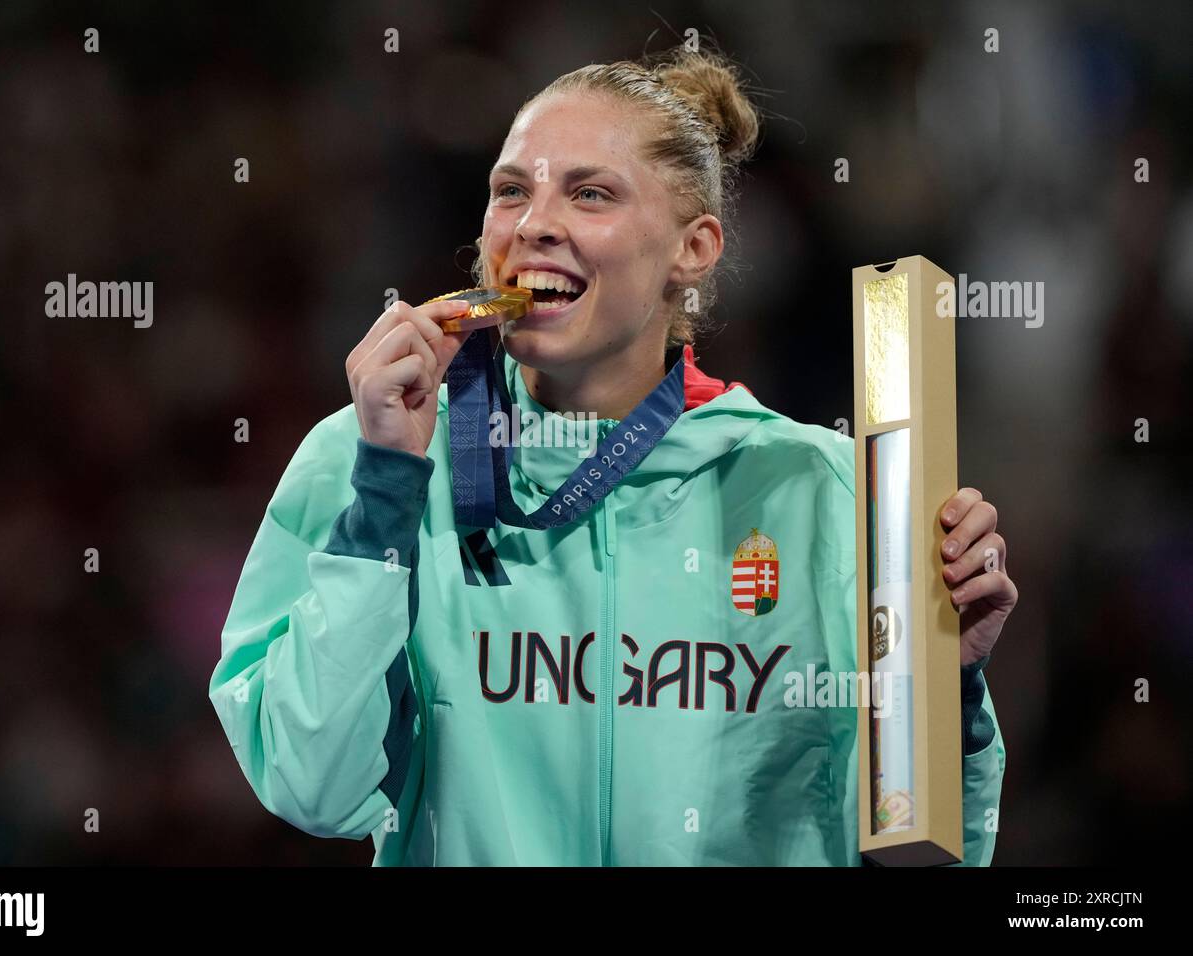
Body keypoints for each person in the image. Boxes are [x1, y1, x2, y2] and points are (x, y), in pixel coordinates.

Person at [208, 47, 1016, 865]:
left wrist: (939, 689)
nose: (533, 224)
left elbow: (920, 858)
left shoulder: (827, 493)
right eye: (511, 191)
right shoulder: (369, 455)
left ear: (692, 249)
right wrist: (386, 491)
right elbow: (311, 787)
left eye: (590, 194)